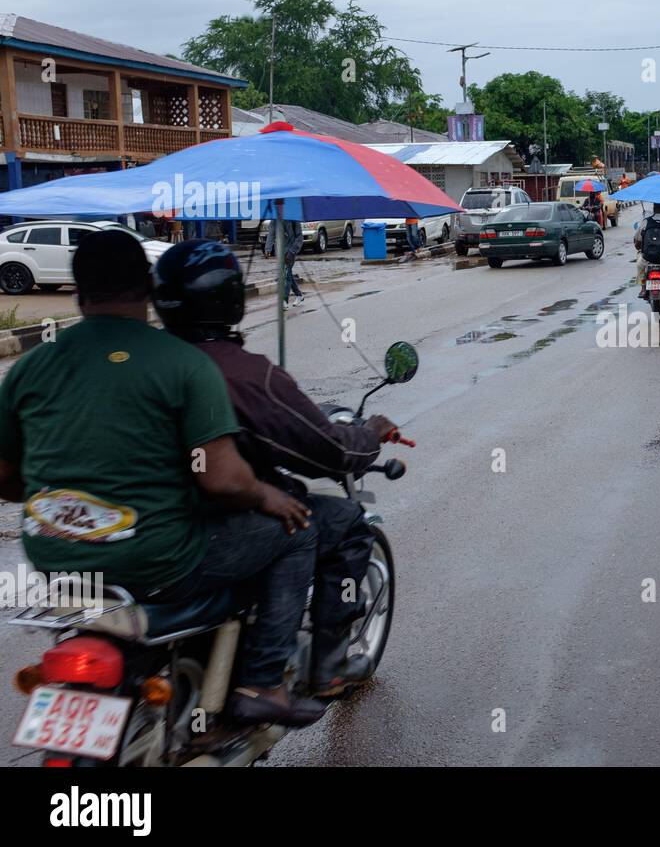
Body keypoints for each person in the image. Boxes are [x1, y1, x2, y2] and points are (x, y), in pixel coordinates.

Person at [0, 230, 324, 727]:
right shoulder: (184, 364)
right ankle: (261, 682)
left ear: (78, 287)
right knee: (298, 533)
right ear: (148, 288)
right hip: (156, 562)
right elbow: (222, 479)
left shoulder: (31, 366)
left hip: (54, 557)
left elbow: (6, 479)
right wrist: (265, 494)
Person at [153, 239, 396, 696]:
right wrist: (371, 435)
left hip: (138, 528)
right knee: (335, 522)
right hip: (207, 528)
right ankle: (312, 671)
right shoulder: (243, 374)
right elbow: (327, 451)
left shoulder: (144, 362)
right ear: (230, 299)